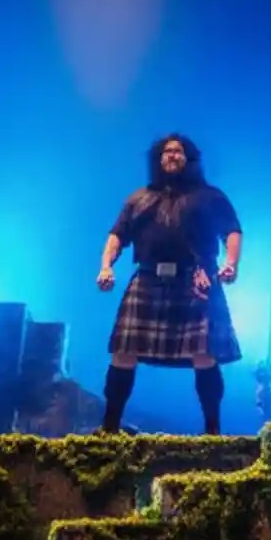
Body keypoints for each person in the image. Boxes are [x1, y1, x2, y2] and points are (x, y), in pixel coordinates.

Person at [97, 134, 242, 435]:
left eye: (178, 151)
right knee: (123, 351)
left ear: (189, 159)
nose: (172, 156)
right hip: (148, 279)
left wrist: (231, 263)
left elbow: (232, 230)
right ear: (158, 158)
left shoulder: (210, 196)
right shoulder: (139, 199)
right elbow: (117, 235)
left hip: (196, 280)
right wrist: (106, 266)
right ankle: (109, 429)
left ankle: (212, 432)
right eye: (166, 151)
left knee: (204, 354)